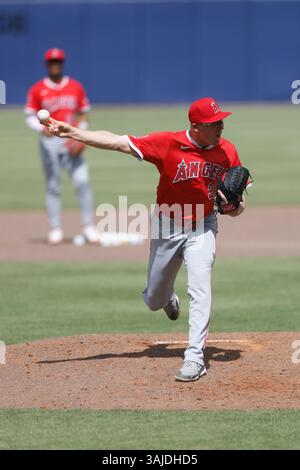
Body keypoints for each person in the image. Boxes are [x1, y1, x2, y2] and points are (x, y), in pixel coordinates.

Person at [42, 97, 246, 382]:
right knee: (153, 299)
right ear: (196, 126)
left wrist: (235, 207)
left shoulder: (227, 151)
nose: (221, 126)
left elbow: (239, 203)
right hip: (167, 224)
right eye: (215, 123)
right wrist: (74, 132)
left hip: (203, 225)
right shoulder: (167, 144)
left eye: (221, 120)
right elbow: (116, 141)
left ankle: (195, 357)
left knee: (200, 287)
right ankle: (166, 297)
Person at [24, 48, 98, 244]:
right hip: (49, 143)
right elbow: (30, 116)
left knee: (82, 182)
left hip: (71, 138)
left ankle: (89, 227)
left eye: (58, 61)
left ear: (62, 63)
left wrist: (81, 137)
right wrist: (41, 130)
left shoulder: (75, 86)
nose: (55, 64)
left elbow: (83, 113)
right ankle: (55, 228)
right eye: (51, 62)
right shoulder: (38, 88)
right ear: (47, 64)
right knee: (53, 185)